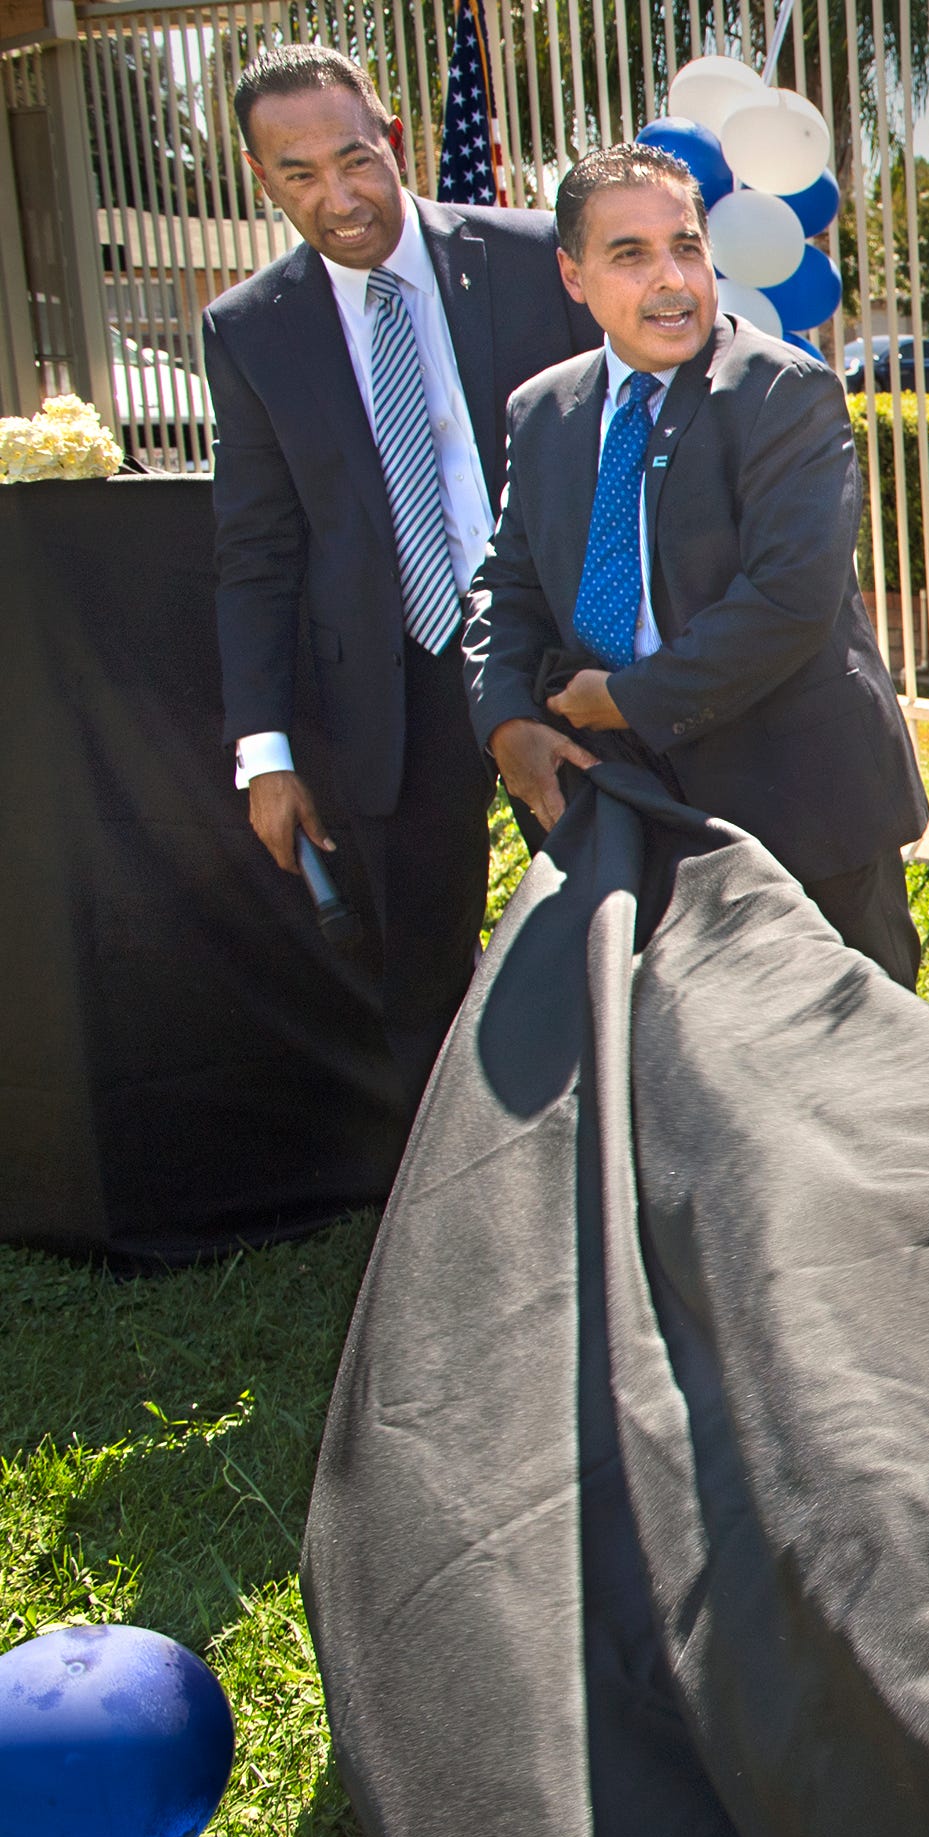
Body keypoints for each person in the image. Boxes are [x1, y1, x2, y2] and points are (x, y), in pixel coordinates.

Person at [206, 44, 599, 1111]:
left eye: (355, 158)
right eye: (299, 176)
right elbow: (256, 553)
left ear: (393, 138)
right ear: (261, 179)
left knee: (618, 923)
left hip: (557, 659)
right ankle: (446, 1209)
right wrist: (266, 754)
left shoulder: (530, 260)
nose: (339, 199)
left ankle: (634, 1163)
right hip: (392, 690)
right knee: (421, 968)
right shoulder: (247, 330)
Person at [465, 144, 928, 984]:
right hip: (635, 812)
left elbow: (789, 600)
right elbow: (510, 584)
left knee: (850, 1079)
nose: (672, 279)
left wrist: (626, 700)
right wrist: (505, 720)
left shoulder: (784, 391)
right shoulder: (541, 411)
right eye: (630, 254)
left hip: (802, 807)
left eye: (685, 246)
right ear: (573, 276)